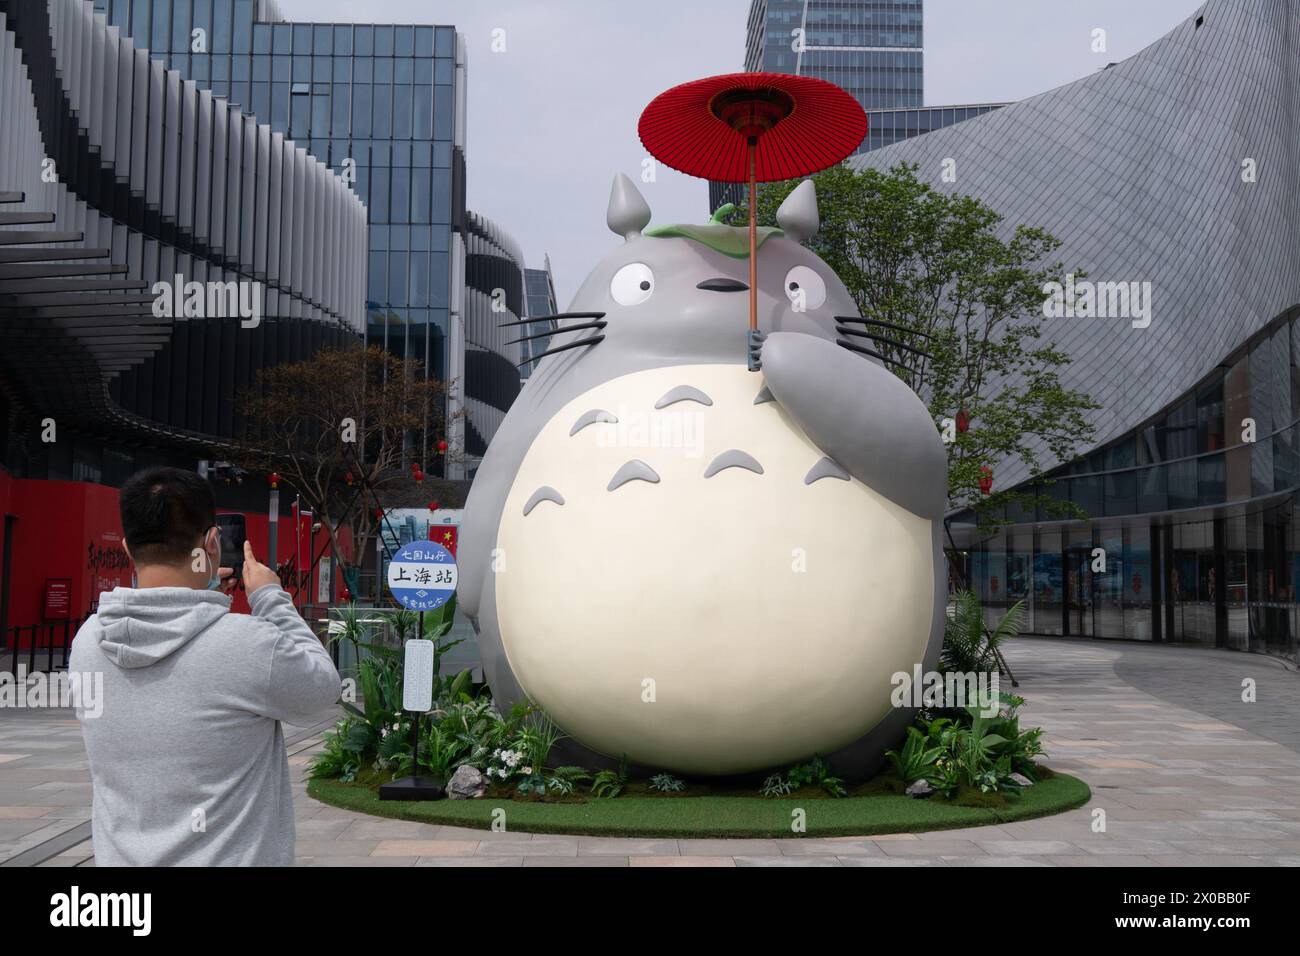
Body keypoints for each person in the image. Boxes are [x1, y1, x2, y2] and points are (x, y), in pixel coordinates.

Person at [69, 466, 341, 866]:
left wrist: (205, 594)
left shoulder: (88, 641)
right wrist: (270, 598)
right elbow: (322, 692)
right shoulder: (247, 643)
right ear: (212, 542)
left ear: (128, 547)